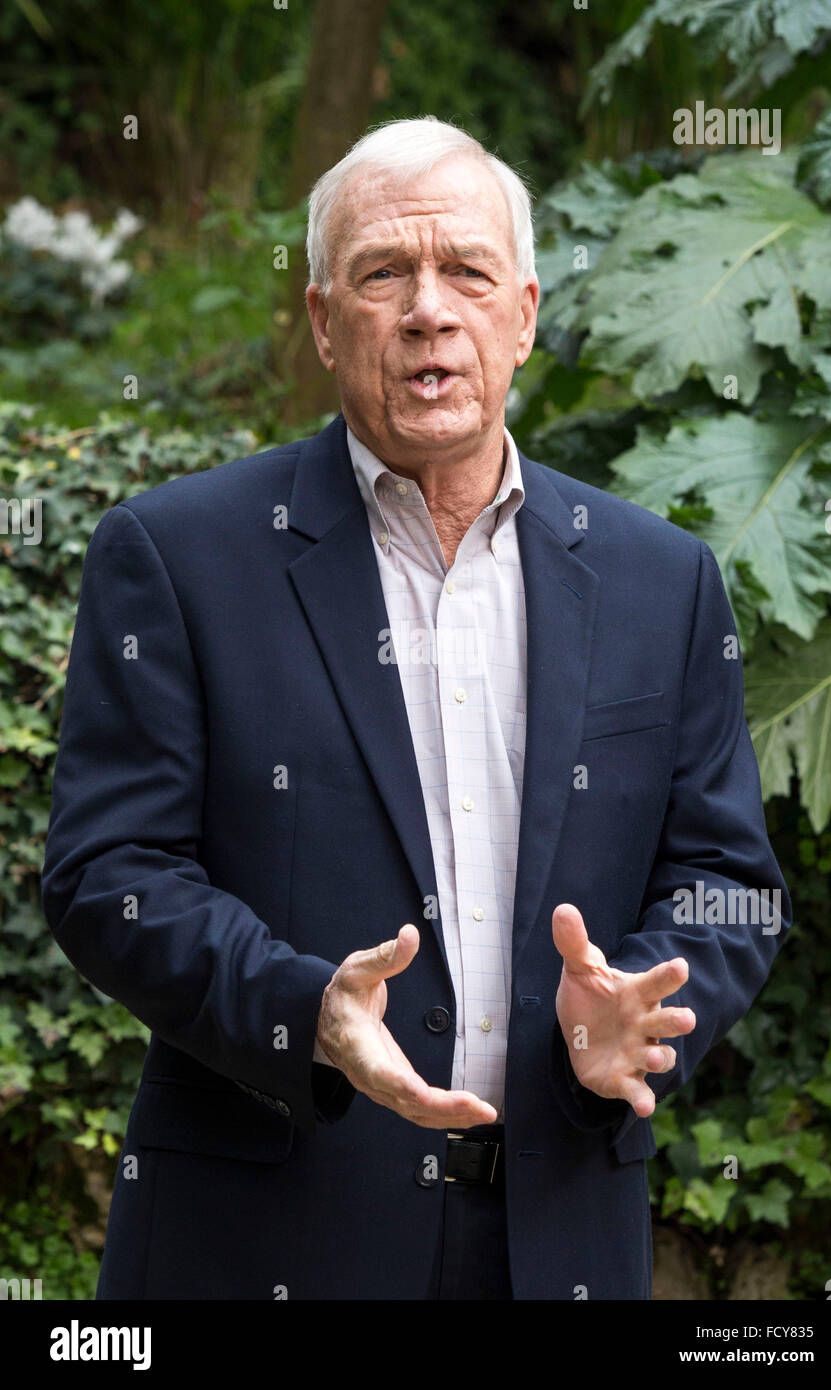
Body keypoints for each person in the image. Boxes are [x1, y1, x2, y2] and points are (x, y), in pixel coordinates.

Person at [41, 116, 791, 1301]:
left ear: (527, 314)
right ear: (327, 321)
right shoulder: (179, 559)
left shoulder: (664, 580)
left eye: (467, 273)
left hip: (559, 1234)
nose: (429, 310)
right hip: (268, 1236)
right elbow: (105, 870)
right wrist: (307, 1009)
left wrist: (640, 1012)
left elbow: (725, 881)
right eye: (384, 273)